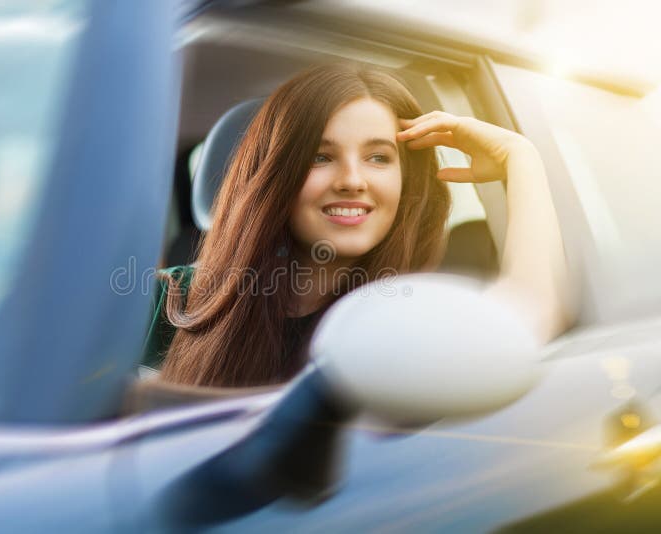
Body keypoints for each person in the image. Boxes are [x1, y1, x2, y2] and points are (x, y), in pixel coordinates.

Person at [142, 63, 570, 388]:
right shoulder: (174, 300)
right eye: (321, 156)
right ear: (277, 177)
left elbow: (526, 320)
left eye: (379, 157)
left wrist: (521, 158)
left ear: (407, 181)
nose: (351, 179)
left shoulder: (409, 316)